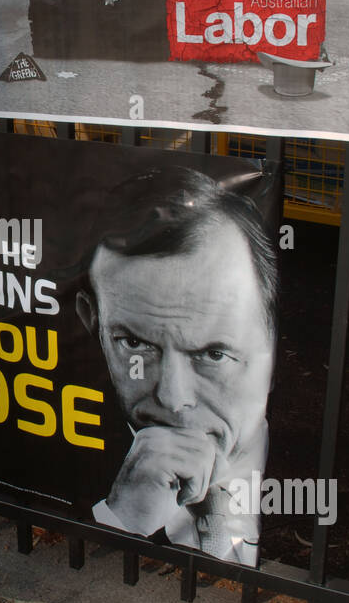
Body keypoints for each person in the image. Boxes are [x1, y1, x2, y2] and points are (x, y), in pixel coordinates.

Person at [76, 166, 277, 565]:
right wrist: (120, 520)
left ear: (274, 337)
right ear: (92, 321)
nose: (172, 398)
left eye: (213, 354)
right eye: (135, 343)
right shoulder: (63, 462)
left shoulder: (324, 493)